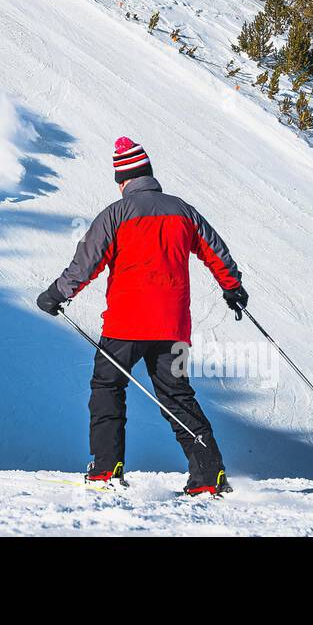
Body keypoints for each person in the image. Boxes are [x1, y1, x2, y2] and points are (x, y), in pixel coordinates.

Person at [36, 137, 248, 496]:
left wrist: (57, 294)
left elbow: (86, 263)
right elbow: (216, 251)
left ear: (123, 180)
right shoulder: (183, 211)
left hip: (124, 326)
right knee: (178, 393)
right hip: (173, 328)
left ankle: (107, 467)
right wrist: (232, 288)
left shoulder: (115, 215)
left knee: (107, 388)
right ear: (149, 174)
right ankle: (208, 474)